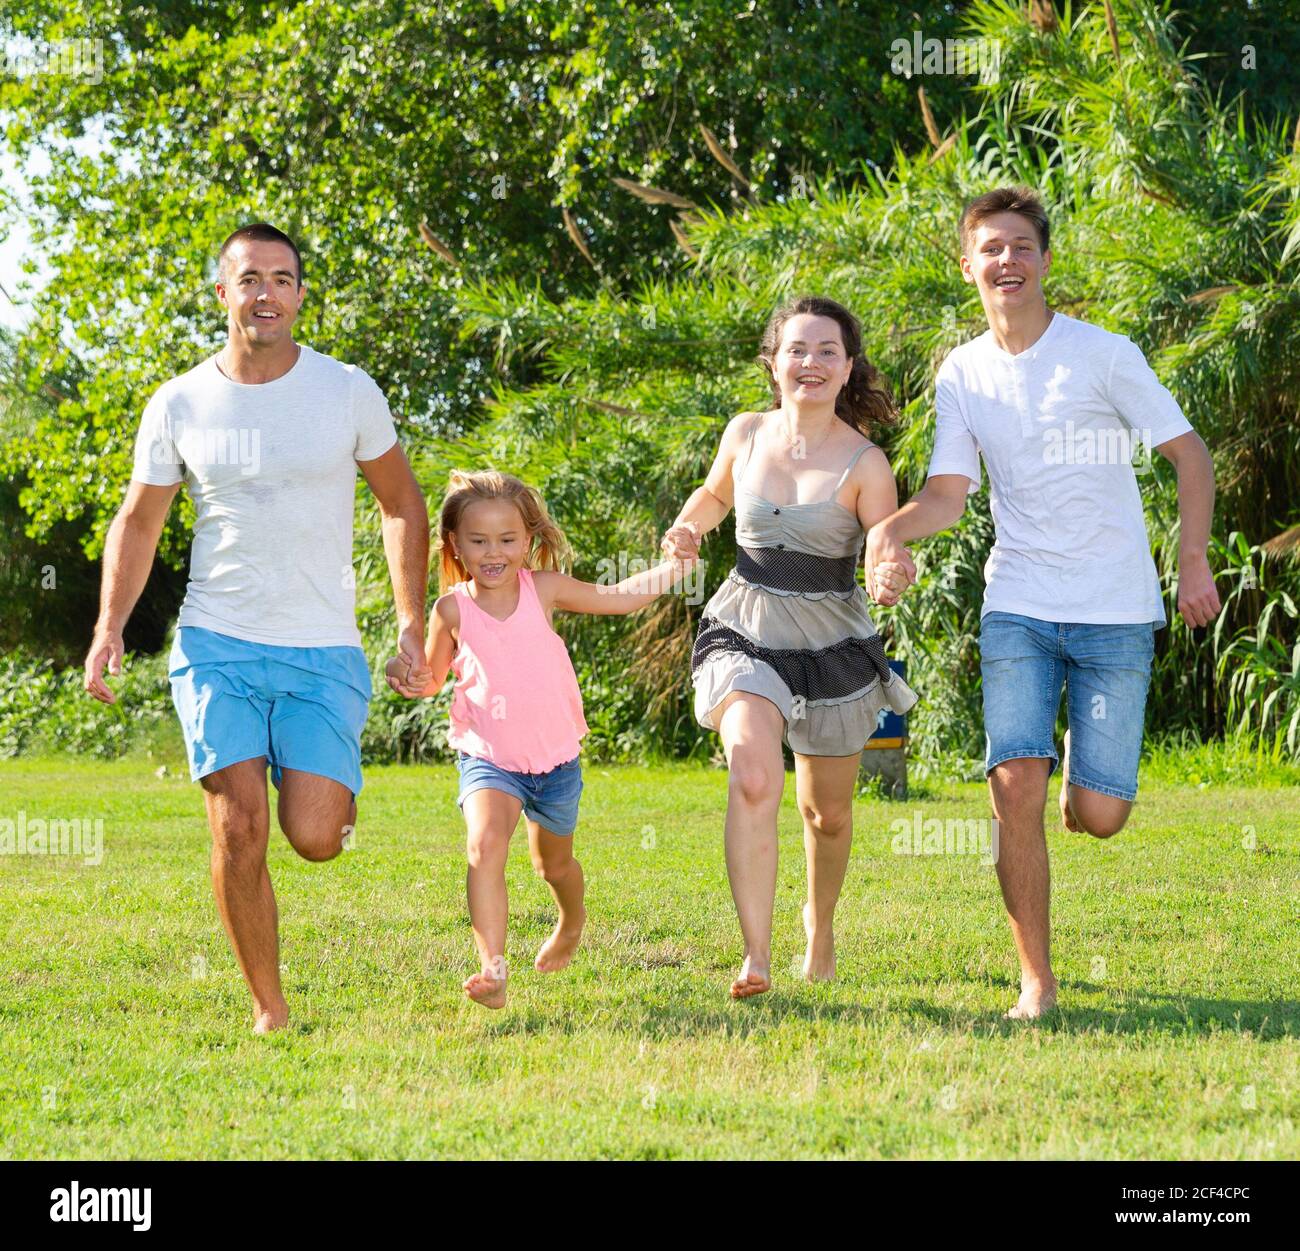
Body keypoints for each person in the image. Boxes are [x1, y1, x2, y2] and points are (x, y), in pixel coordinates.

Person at [866, 186, 1221, 1019]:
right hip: (1018, 600)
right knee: (1014, 781)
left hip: (1114, 608)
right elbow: (949, 495)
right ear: (968, 265)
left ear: (1046, 259)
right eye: (990, 248)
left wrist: (1192, 561)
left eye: (1022, 246)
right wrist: (890, 532)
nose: (1007, 261)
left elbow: (1190, 454)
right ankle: (1038, 981)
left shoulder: (1104, 355)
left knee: (1099, 815)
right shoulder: (963, 372)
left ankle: (1081, 779)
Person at [83, 223, 431, 1034]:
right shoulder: (179, 401)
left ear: (301, 294)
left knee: (316, 835)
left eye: (282, 278)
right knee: (237, 823)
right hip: (218, 640)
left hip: (322, 646)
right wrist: (109, 626)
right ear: (223, 293)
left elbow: (402, 504)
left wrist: (411, 621)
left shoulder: (347, 390)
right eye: (249, 279)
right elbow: (138, 522)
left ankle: (314, 782)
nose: (266, 293)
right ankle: (269, 1006)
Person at [660, 295, 917, 999]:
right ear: (773, 361)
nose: (810, 362)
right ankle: (755, 955)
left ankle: (820, 925)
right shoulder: (745, 433)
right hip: (746, 625)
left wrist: (889, 574)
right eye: (796, 349)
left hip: (831, 638)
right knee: (750, 773)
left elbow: (881, 547)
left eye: (827, 351)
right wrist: (687, 528)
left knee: (825, 814)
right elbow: (712, 497)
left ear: (847, 368)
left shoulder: (866, 462)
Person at [385, 469, 696, 1010]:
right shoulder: (451, 609)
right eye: (478, 541)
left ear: (528, 540)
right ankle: (493, 969)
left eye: (507, 539)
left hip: (555, 762)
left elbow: (618, 597)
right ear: (455, 544)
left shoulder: (543, 589)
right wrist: (408, 675)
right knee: (484, 846)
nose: (493, 552)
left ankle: (571, 921)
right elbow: (432, 679)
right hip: (488, 758)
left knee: (553, 866)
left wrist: (675, 568)